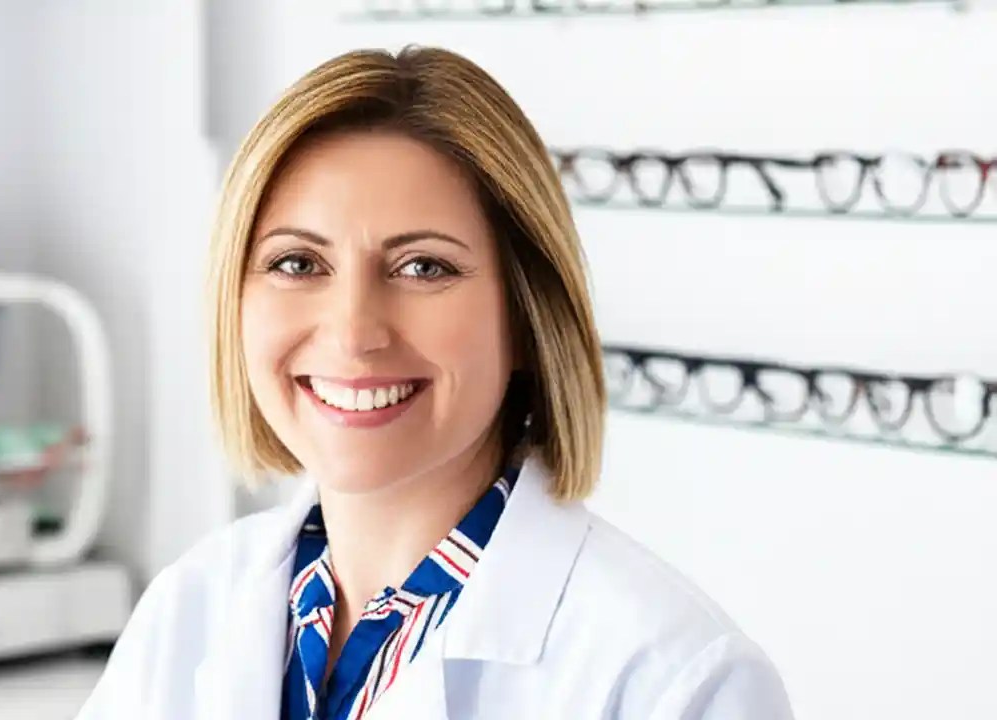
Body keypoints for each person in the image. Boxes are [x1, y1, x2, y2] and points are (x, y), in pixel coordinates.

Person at [75, 46, 793, 720]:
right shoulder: (189, 610)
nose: (354, 332)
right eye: (297, 264)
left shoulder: (674, 680)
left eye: (423, 268)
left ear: (525, 316)